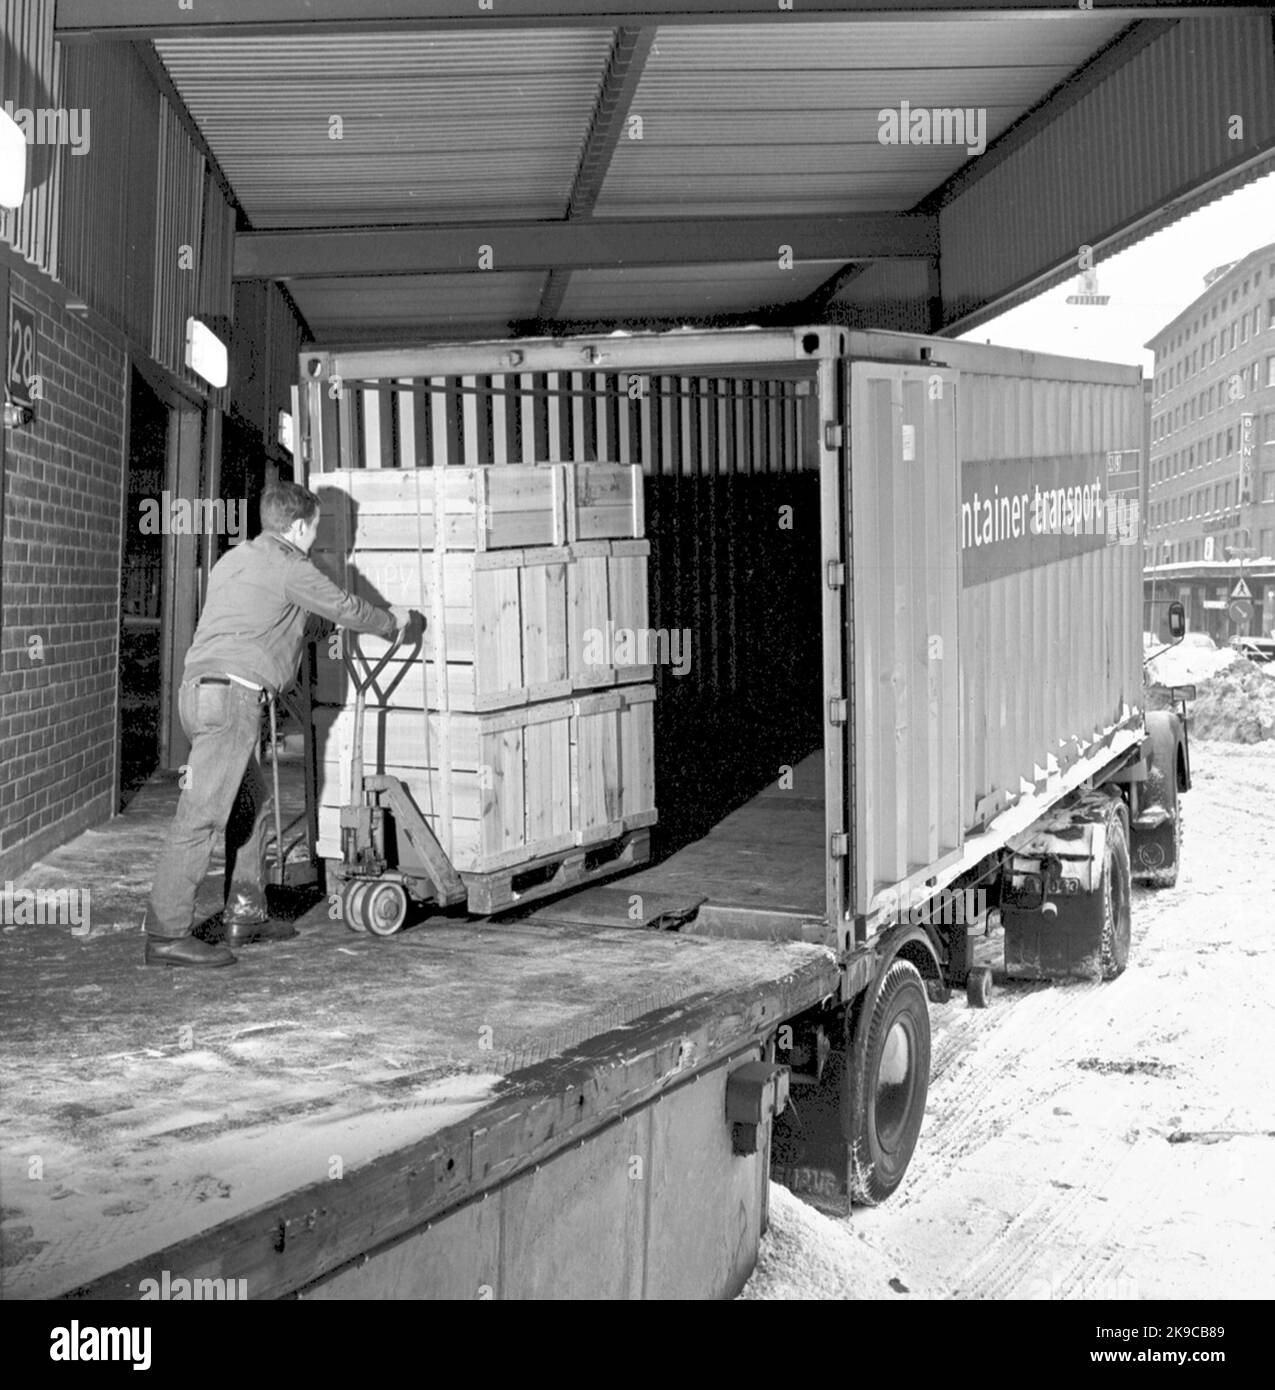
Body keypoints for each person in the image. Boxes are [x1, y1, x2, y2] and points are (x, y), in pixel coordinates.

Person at [143, 480, 415, 968]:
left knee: (252, 801)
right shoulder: (292, 565)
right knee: (201, 815)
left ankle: (246, 912)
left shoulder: (237, 561)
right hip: (232, 700)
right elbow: (346, 608)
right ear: (297, 527)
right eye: (313, 528)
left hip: (198, 693)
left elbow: (275, 617)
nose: (315, 537)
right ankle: (166, 935)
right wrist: (392, 620)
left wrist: (321, 627)